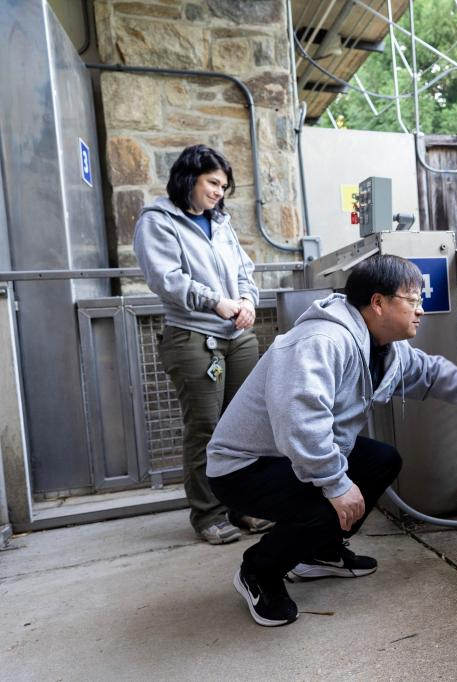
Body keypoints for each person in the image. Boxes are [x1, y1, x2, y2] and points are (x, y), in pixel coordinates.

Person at [207, 255, 457, 627]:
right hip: (243, 467)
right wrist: (336, 485)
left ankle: (319, 553)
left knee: (382, 460)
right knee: (325, 503)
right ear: (378, 302)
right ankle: (259, 571)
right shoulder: (320, 340)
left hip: (287, 457)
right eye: (412, 300)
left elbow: (429, 373)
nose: (420, 311)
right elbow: (300, 422)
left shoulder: (385, 347)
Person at [133, 144, 272, 545]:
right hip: (193, 337)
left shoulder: (220, 222)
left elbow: (245, 271)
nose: (218, 193)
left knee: (245, 427)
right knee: (207, 429)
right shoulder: (158, 221)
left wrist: (247, 301)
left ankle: (246, 505)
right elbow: (167, 279)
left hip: (238, 336)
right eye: (213, 183)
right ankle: (209, 514)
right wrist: (216, 302)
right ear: (188, 178)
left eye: (224, 186)